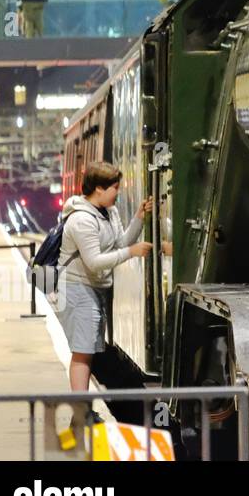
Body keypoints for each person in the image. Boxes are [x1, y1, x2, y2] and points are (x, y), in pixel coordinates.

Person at [55, 162, 153, 392]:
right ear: (99, 188)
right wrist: (131, 253)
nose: (118, 193)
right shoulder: (81, 220)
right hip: (76, 289)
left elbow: (120, 243)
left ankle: (82, 406)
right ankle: (80, 408)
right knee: (82, 352)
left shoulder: (109, 212)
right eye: (115, 188)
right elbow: (94, 261)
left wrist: (139, 218)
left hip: (94, 288)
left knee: (88, 351)